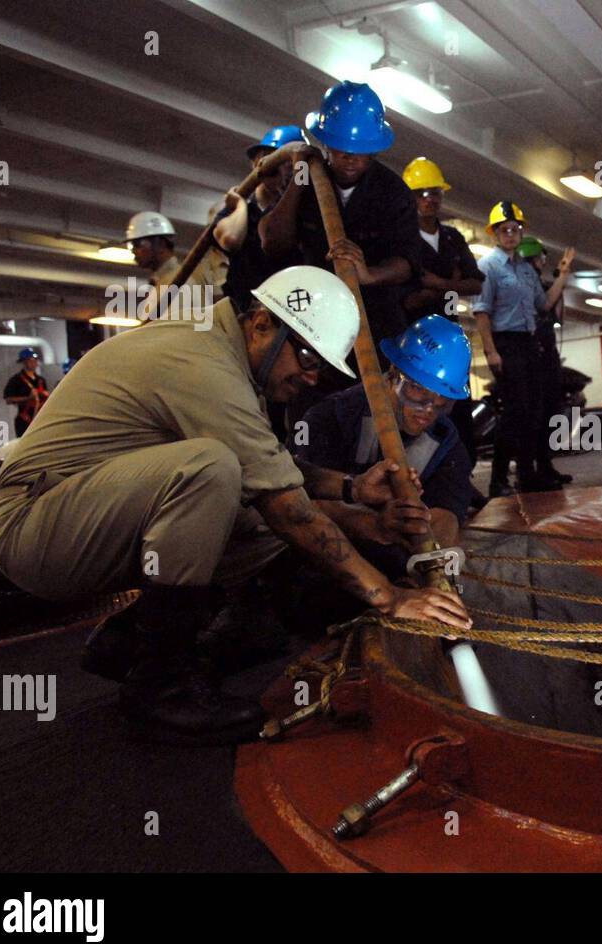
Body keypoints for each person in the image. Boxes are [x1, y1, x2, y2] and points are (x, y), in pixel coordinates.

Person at [0, 266, 470, 744]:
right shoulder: (205, 366)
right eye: (304, 354)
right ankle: (161, 686)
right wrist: (390, 597)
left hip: (75, 514)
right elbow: (291, 510)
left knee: (249, 515)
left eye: (317, 364)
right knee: (211, 469)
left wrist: (352, 489)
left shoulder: (226, 362)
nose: (309, 375)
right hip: (33, 527)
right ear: (261, 323)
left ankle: (131, 641)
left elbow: (273, 466)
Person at [291, 314, 475, 580]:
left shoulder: (445, 442)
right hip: (324, 561)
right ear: (393, 375)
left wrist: (432, 559)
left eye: (442, 402)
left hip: (398, 565)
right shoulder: (331, 417)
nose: (428, 410)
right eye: (418, 392)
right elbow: (303, 502)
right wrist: (373, 525)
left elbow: (447, 514)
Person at [259, 81, 417, 347]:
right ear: (325, 142)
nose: (350, 157)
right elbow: (273, 243)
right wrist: (299, 178)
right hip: (310, 319)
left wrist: (369, 275)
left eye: (361, 151)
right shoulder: (305, 179)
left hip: (373, 322)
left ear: (375, 149)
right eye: (341, 147)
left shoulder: (394, 193)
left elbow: (407, 262)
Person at [472, 201, 575, 497]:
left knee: (534, 411)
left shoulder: (526, 271)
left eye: (515, 229)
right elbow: (481, 312)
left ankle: (528, 475)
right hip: (506, 343)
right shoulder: (487, 267)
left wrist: (563, 275)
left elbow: (543, 304)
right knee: (515, 413)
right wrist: (491, 352)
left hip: (530, 344)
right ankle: (498, 480)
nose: (510, 234)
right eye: (504, 230)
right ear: (495, 234)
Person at [214, 124, 306, 314]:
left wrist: (301, 170)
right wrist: (240, 205)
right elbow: (230, 239)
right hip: (243, 310)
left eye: (289, 168)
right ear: (258, 163)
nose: (282, 174)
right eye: (276, 166)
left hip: (285, 311)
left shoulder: (302, 214)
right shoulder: (237, 211)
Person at [398, 157, 485, 322]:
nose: (429, 199)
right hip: (411, 329)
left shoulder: (453, 237)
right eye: (421, 194)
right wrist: (453, 284)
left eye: (435, 193)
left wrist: (439, 283)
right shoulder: (400, 236)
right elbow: (409, 301)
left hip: (449, 322)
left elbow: (475, 285)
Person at [520, 236, 572, 485]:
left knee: (552, 409)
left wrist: (559, 284)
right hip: (533, 353)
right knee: (535, 413)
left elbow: (557, 316)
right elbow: (545, 307)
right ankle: (530, 469)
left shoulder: (540, 283)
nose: (543, 261)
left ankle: (544, 462)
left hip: (548, 351)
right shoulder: (524, 283)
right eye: (541, 256)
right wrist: (562, 275)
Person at [2, 348, 49, 437]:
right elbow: (8, 399)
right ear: (24, 362)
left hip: (40, 418)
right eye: (30, 360)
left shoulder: (41, 380)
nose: (33, 363)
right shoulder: (16, 380)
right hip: (25, 419)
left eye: (35, 360)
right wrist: (28, 398)